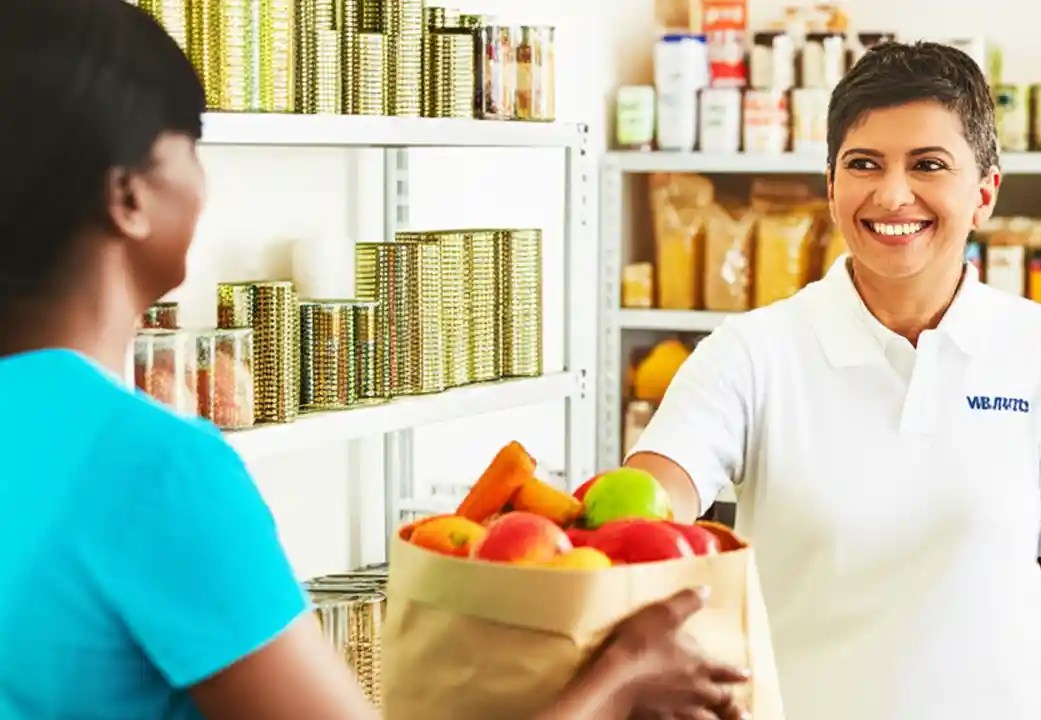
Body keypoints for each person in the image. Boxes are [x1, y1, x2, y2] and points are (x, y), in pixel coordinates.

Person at [0, 1, 748, 718]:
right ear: (128, 196)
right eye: (189, 148)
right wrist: (624, 675)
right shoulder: (153, 467)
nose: (203, 182)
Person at [625, 42, 1041, 719]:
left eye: (928, 165)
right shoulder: (752, 352)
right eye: (864, 164)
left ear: (983, 192)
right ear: (832, 186)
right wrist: (610, 527)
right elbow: (657, 491)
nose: (892, 194)